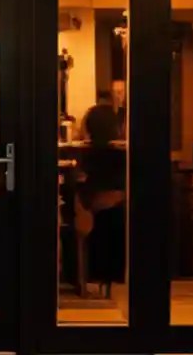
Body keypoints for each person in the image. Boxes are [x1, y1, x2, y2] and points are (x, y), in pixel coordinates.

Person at [73, 103, 127, 295]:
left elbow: (82, 180)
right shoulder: (121, 152)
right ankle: (107, 283)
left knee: (77, 213)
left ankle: (81, 279)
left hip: (93, 206)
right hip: (117, 206)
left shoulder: (87, 152)